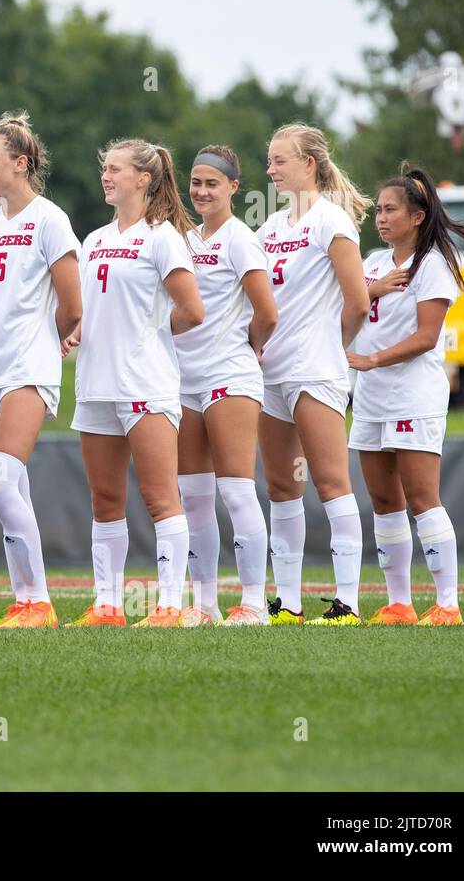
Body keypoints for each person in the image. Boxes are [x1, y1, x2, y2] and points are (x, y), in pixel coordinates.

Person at [0, 111, 81, 629]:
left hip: (27, 366)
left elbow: (73, 303)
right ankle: (25, 601)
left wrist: (52, 343)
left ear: (20, 163)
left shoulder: (50, 219)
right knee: (10, 482)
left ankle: (40, 602)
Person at [69, 138, 204, 628]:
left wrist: (144, 336)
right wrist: (80, 331)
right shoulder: (94, 240)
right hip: (96, 384)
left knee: (159, 496)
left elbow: (192, 311)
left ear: (144, 179)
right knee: (105, 500)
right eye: (104, 168)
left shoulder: (162, 237)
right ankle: (108, 605)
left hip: (145, 383)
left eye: (116, 169)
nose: (106, 176)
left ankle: (169, 605)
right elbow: (91, 310)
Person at [348, 166, 464, 626]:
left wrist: (373, 360)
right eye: (378, 210)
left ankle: (447, 604)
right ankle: (399, 603)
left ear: (418, 216)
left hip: (412, 395)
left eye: (390, 210)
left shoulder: (433, 264)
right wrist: (370, 289)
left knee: (422, 498)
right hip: (371, 397)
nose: (380, 218)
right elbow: (349, 307)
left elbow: (427, 337)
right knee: (383, 500)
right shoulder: (373, 263)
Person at [258, 124, 372, 626]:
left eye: (280, 160)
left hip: (315, 369)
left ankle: (347, 602)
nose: (270, 169)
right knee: (282, 486)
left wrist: (334, 347)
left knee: (330, 481)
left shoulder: (331, 221)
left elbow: (358, 301)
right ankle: (290, 603)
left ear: (309, 163)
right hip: (270, 373)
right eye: (269, 160)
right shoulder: (268, 227)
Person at [173, 146, 278, 626]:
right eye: (195, 182)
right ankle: (205, 604)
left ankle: (254, 604)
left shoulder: (241, 238)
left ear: (234, 188)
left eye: (212, 183)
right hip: (182, 379)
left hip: (229, 375)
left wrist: (247, 347)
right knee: (193, 496)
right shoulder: (184, 238)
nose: (201, 191)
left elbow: (267, 312)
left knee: (236, 490)